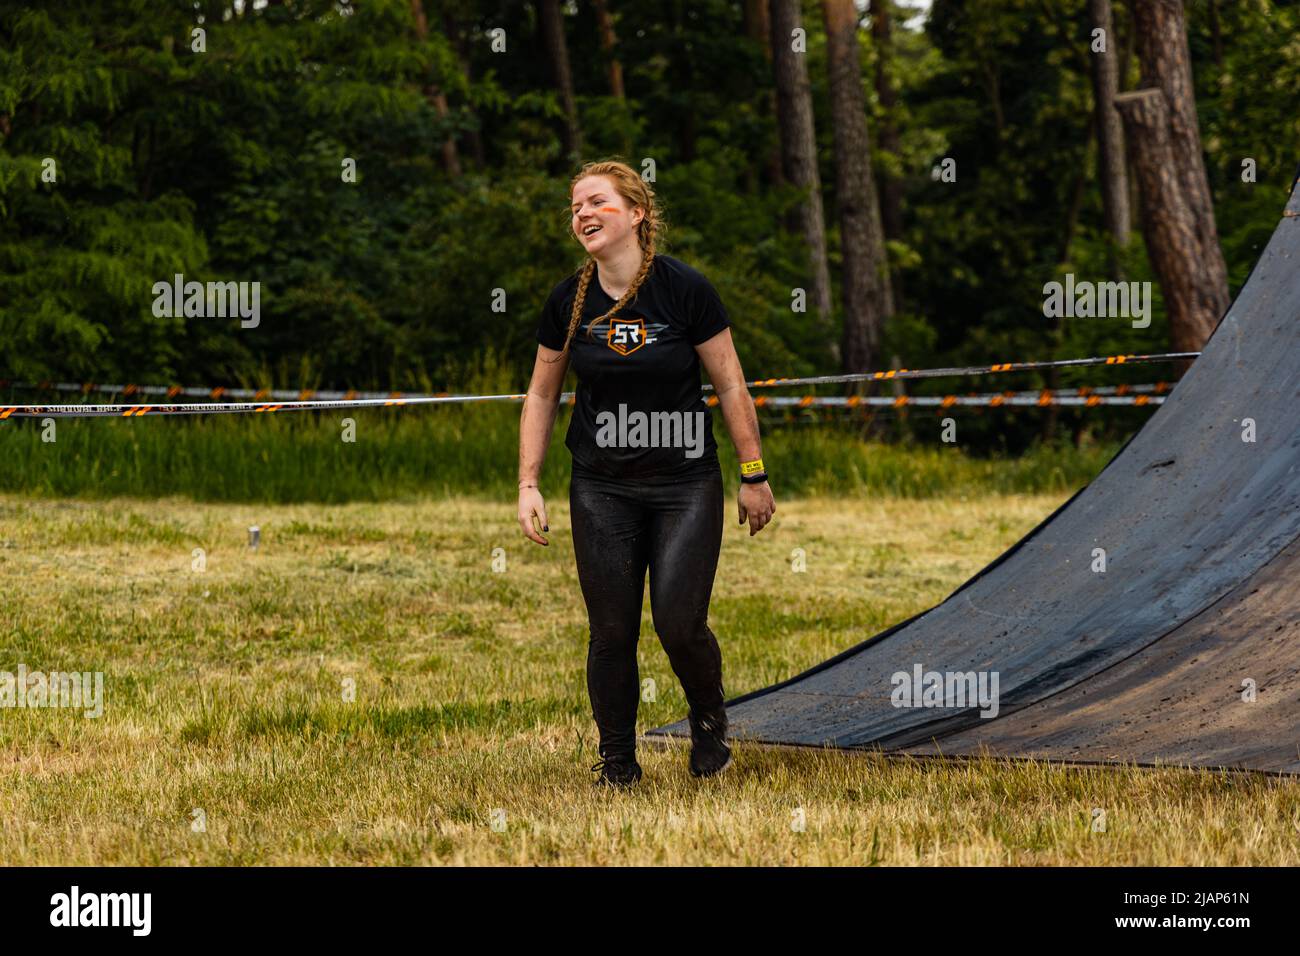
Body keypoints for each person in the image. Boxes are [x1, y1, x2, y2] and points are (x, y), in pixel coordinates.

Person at [517, 159, 776, 787]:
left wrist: (753, 473)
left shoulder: (685, 289)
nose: (583, 213)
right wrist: (528, 483)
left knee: (679, 624)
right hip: (601, 485)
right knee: (611, 631)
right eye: (576, 206)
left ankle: (709, 724)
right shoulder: (567, 300)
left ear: (636, 213)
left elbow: (731, 384)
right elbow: (542, 394)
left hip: (684, 483)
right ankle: (617, 761)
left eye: (597, 202)